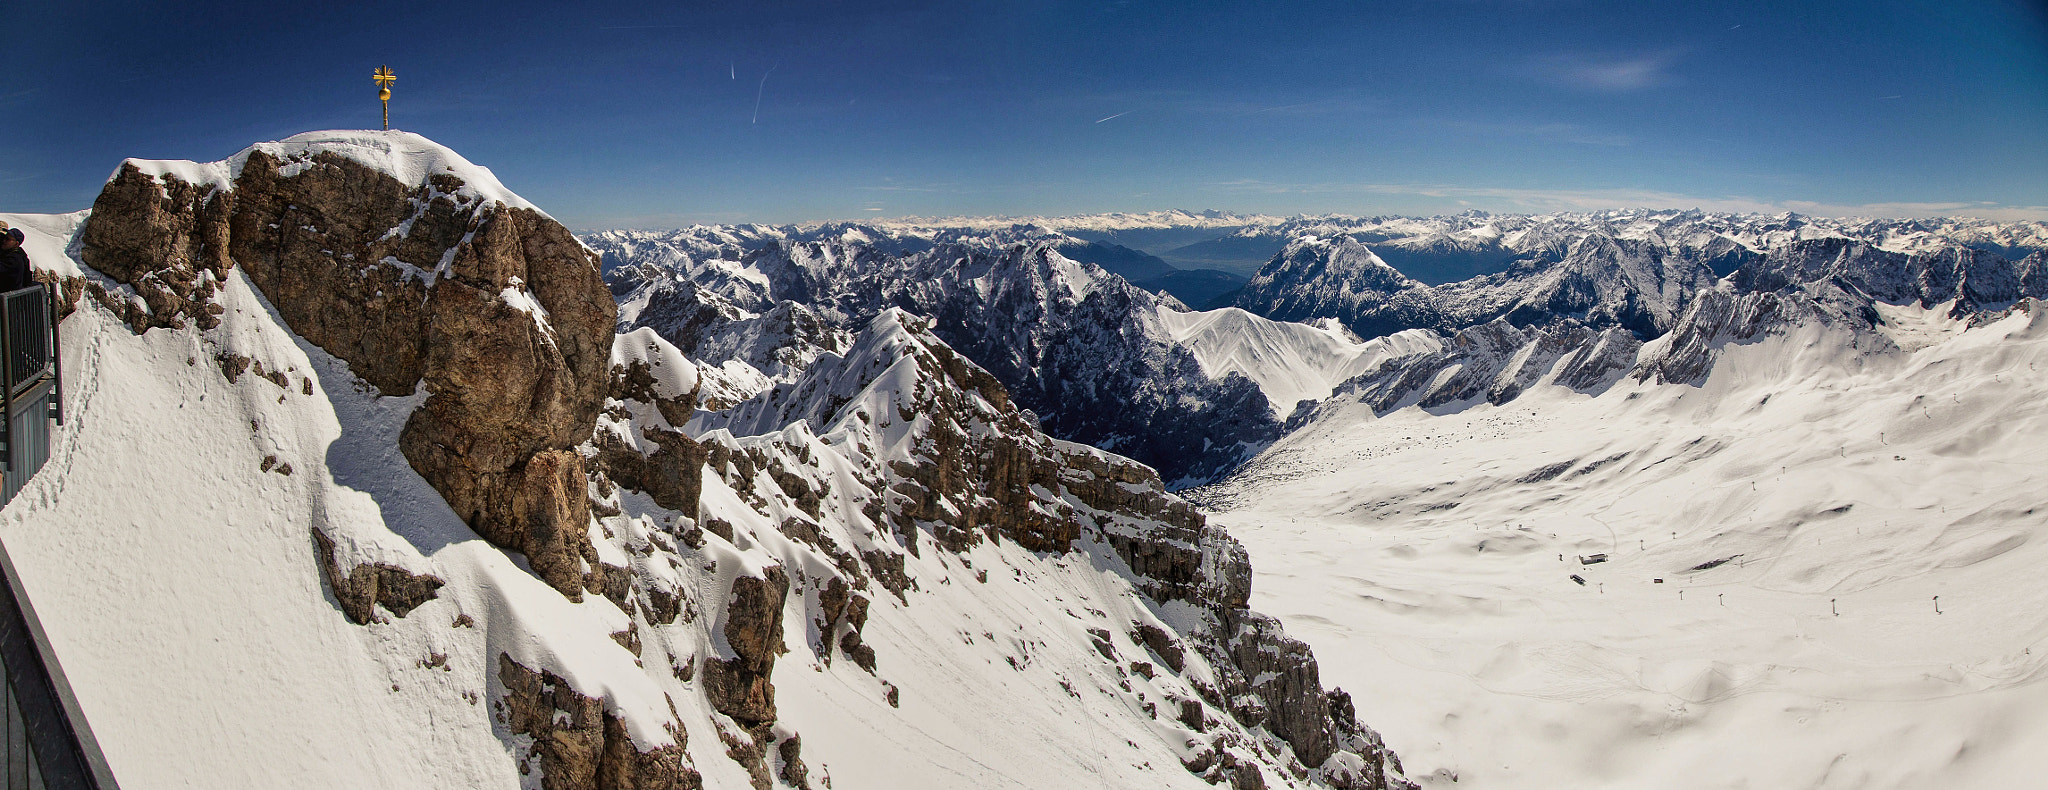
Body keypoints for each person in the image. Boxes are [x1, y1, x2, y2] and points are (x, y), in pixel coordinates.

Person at [0, 224, 30, 293]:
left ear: (16, 244)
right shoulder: (15, 254)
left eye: (7, 239)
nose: (3, 241)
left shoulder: (13, 259)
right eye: (4, 238)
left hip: (8, 300)